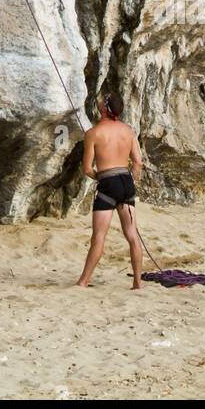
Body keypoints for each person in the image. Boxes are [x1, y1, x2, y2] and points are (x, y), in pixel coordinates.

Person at [76, 92, 144, 290]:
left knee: (98, 238)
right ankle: (138, 283)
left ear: (105, 108)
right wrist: (129, 179)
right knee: (132, 235)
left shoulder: (93, 133)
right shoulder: (129, 131)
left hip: (108, 183)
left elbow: (87, 168)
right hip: (126, 182)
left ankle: (83, 281)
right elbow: (138, 162)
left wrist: (101, 178)